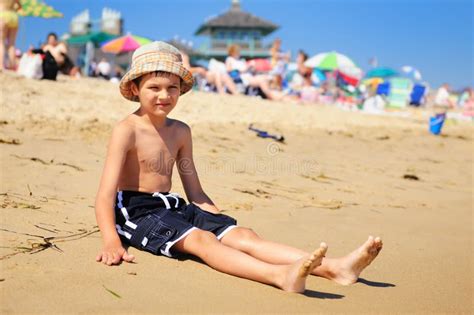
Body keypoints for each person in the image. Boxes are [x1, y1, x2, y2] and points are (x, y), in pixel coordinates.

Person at [94, 41, 383, 293]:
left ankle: (334, 268)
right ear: (135, 88)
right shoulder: (127, 130)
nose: (164, 96)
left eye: (172, 88)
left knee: (243, 236)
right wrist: (111, 241)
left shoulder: (181, 131)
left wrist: (217, 221)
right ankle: (280, 276)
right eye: (153, 87)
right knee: (202, 241)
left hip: (173, 205)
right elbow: (106, 195)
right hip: (137, 210)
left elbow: (194, 190)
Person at [0, 0, 21, 70]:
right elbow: (19, 6)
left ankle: (1, 65)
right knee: (12, 44)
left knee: (1, 42)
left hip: (3, 14)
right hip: (13, 16)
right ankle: (12, 67)